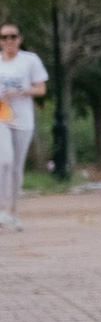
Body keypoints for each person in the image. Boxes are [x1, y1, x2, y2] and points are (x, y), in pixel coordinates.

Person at [0, 21, 48, 231]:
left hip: (23, 119)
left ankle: (13, 211)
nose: (9, 41)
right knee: (5, 161)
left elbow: (41, 89)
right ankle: (1, 209)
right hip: (2, 118)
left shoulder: (30, 60)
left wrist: (21, 92)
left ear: (19, 39)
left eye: (13, 36)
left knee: (17, 167)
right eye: (4, 37)